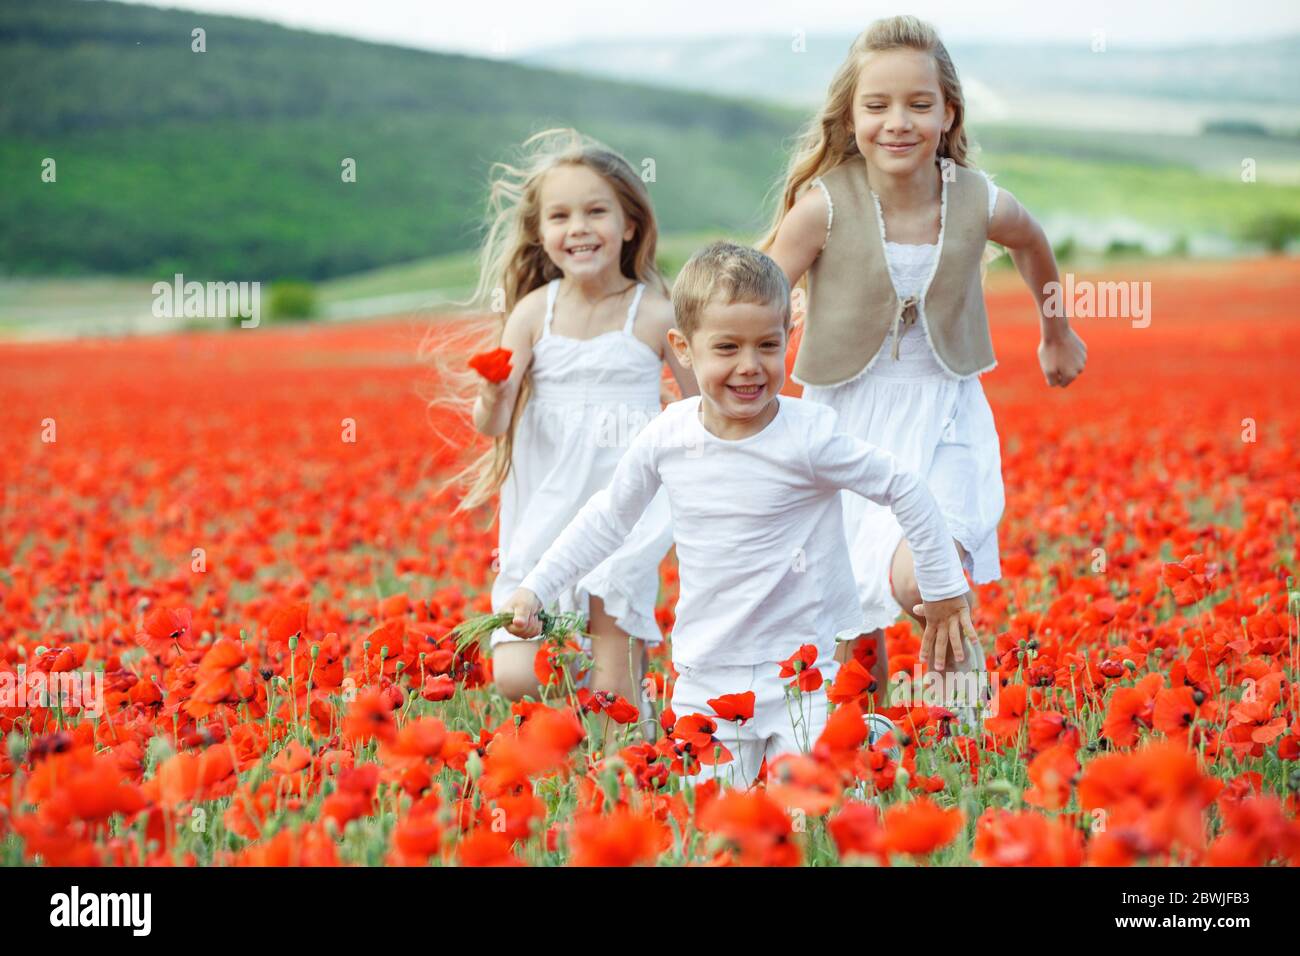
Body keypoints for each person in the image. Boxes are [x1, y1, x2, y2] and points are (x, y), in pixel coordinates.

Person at [501, 242, 977, 787]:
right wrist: (536, 588)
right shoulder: (668, 437)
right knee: (709, 817)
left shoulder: (809, 435)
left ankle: (866, 737)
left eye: (767, 346)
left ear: (788, 338)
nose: (749, 367)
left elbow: (906, 488)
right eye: (726, 347)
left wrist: (941, 589)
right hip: (706, 672)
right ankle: (854, 738)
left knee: (817, 805)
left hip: (803, 672)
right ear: (682, 347)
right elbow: (608, 518)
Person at [760, 15, 1086, 721]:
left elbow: (1033, 244)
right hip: (844, 417)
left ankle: (961, 728)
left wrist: (1056, 333)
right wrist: (732, 372)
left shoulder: (974, 197)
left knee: (925, 578)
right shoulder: (822, 209)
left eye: (918, 104)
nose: (897, 122)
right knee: (851, 613)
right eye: (877, 106)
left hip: (945, 413)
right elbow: (762, 297)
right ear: (851, 116)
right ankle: (862, 746)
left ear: (948, 113)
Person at [431, 128, 697, 747]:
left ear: (630, 224)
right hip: (544, 509)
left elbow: (701, 403)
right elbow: (493, 423)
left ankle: (628, 782)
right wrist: (494, 393)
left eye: (596, 210)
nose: (578, 227)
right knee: (519, 676)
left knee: (615, 701)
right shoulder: (533, 313)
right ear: (542, 233)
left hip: (623, 514)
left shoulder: (655, 311)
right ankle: (583, 729)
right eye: (560, 215)